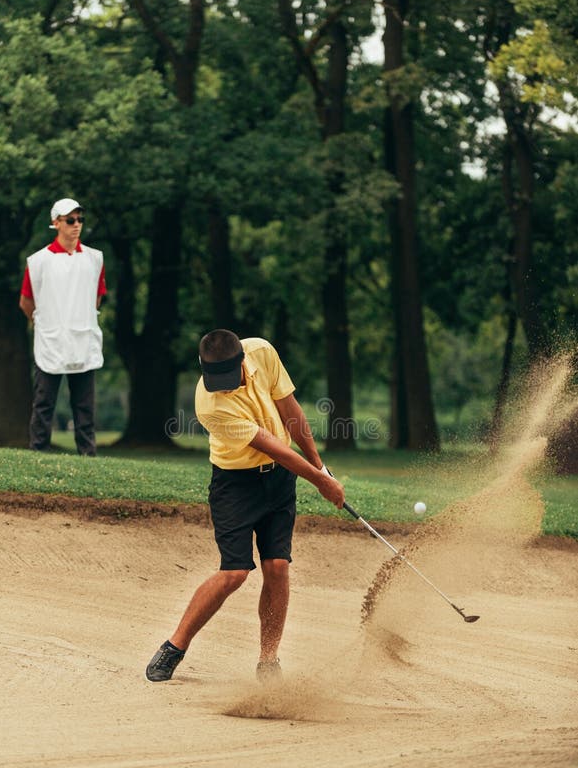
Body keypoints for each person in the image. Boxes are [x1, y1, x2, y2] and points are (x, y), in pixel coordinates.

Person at [146, 330, 345, 684]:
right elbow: (274, 447)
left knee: (278, 567)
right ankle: (174, 646)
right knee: (234, 573)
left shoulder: (262, 352)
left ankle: (269, 661)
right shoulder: (210, 404)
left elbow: (291, 412)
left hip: (279, 483)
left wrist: (320, 465)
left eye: (227, 377)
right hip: (236, 485)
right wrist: (320, 481)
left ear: (242, 360)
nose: (221, 386)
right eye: (214, 379)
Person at [19, 198, 106, 456]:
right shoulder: (38, 262)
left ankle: (87, 455)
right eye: (70, 220)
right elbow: (26, 301)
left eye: (79, 219)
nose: (76, 225)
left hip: (83, 338)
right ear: (56, 223)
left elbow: (97, 295)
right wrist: (43, 321)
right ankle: (39, 452)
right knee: (44, 403)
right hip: (51, 341)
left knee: (85, 406)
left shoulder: (94, 259)